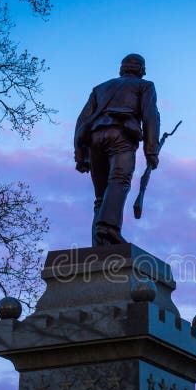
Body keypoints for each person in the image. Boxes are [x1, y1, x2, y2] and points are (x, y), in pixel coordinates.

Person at [74, 53, 160, 246]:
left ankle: (99, 243)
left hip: (95, 138)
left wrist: (80, 154)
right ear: (142, 70)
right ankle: (108, 228)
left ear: (122, 69)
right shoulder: (145, 86)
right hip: (122, 135)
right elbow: (150, 117)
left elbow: (82, 120)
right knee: (119, 180)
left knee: (100, 196)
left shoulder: (100, 88)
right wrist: (151, 151)